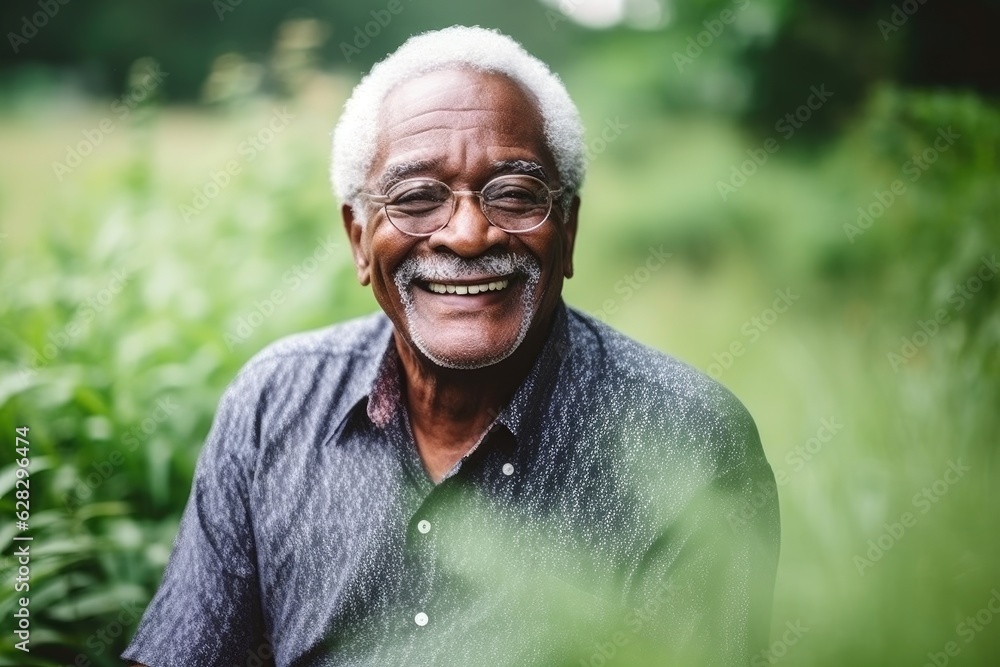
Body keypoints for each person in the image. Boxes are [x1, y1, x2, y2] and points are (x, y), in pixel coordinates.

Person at [122, 25, 779, 667]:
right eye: (416, 198)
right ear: (358, 237)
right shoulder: (273, 403)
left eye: (516, 195)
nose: (467, 235)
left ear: (569, 229)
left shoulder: (691, 444)